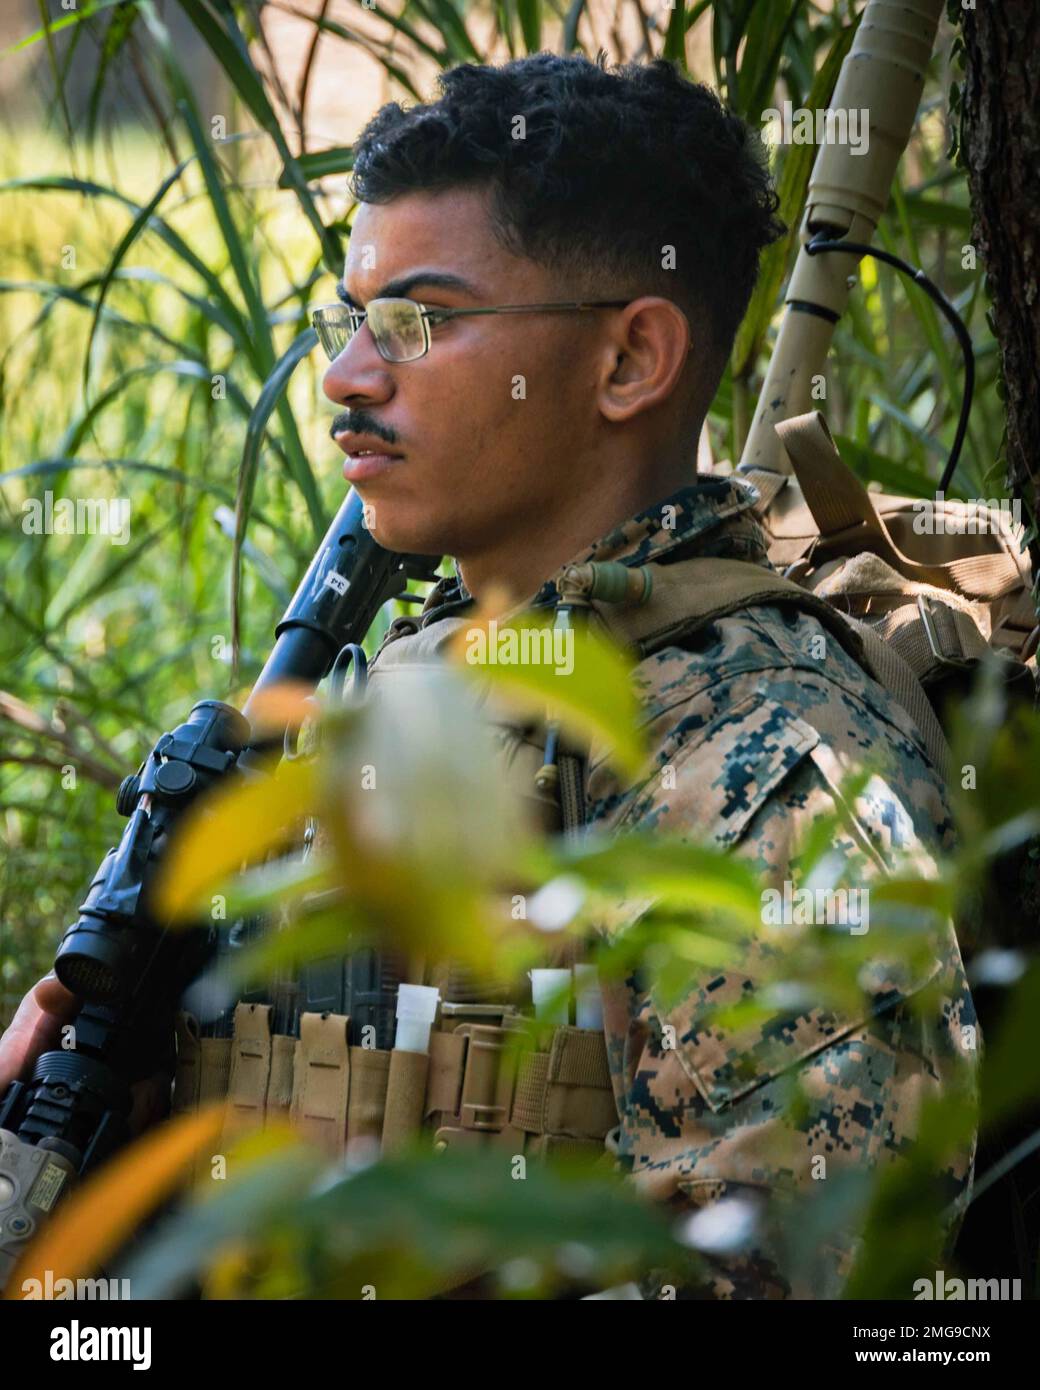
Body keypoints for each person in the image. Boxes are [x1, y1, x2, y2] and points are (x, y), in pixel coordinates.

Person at [0, 53, 977, 1298]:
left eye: (419, 320)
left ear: (629, 362)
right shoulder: (401, 691)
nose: (347, 376)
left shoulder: (759, 757)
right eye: (345, 319)